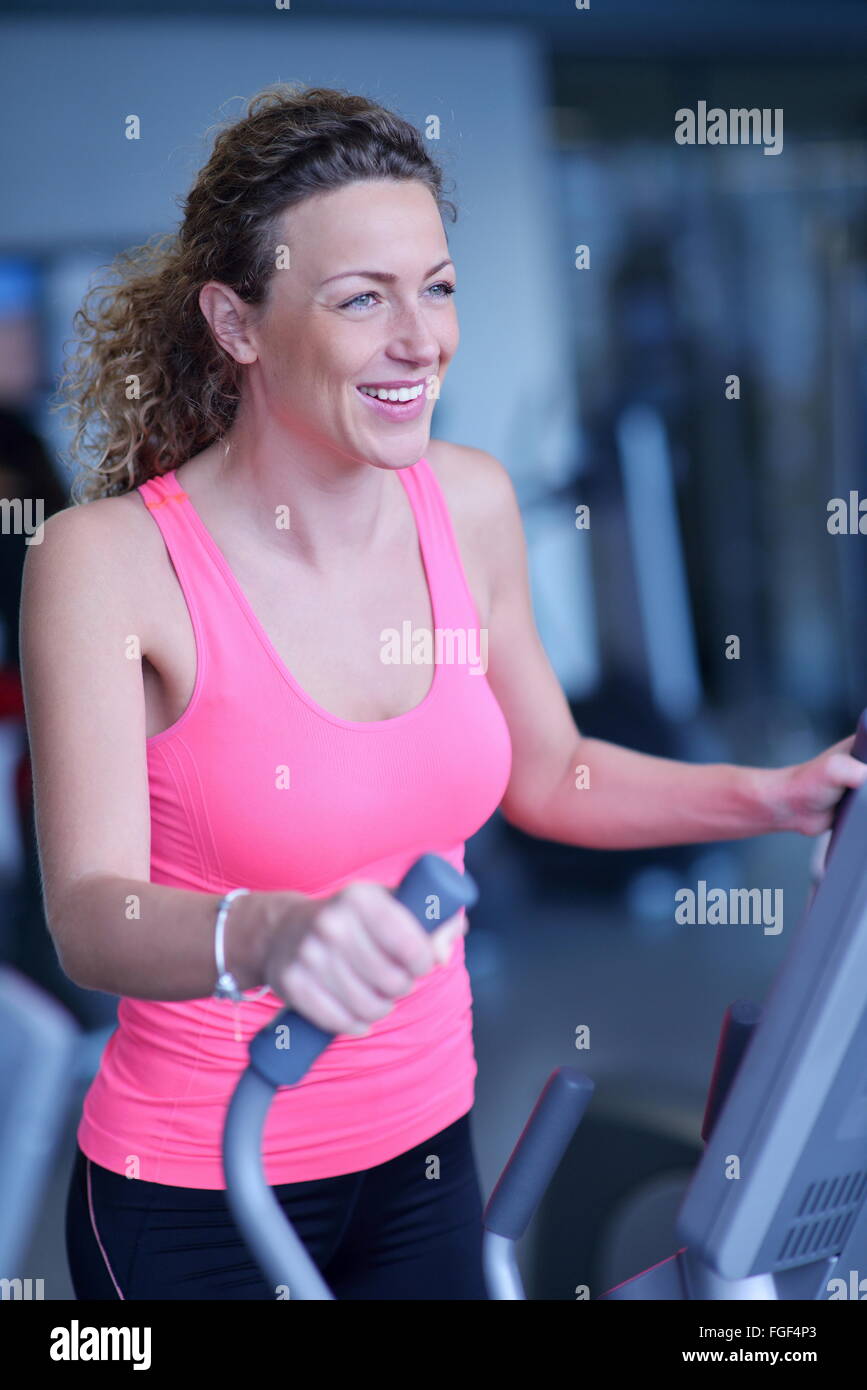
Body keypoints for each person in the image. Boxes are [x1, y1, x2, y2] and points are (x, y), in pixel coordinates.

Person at [20, 83, 867, 1302]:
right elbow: (90, 916)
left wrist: (776, 793)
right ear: (238, 323)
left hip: (426, 1154)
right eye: (363, 298)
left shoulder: (465, 506)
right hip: (201, 1191)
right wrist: (268, 929)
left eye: (438, 286)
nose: (421, 338)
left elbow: (549, 771)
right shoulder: (106, 564)